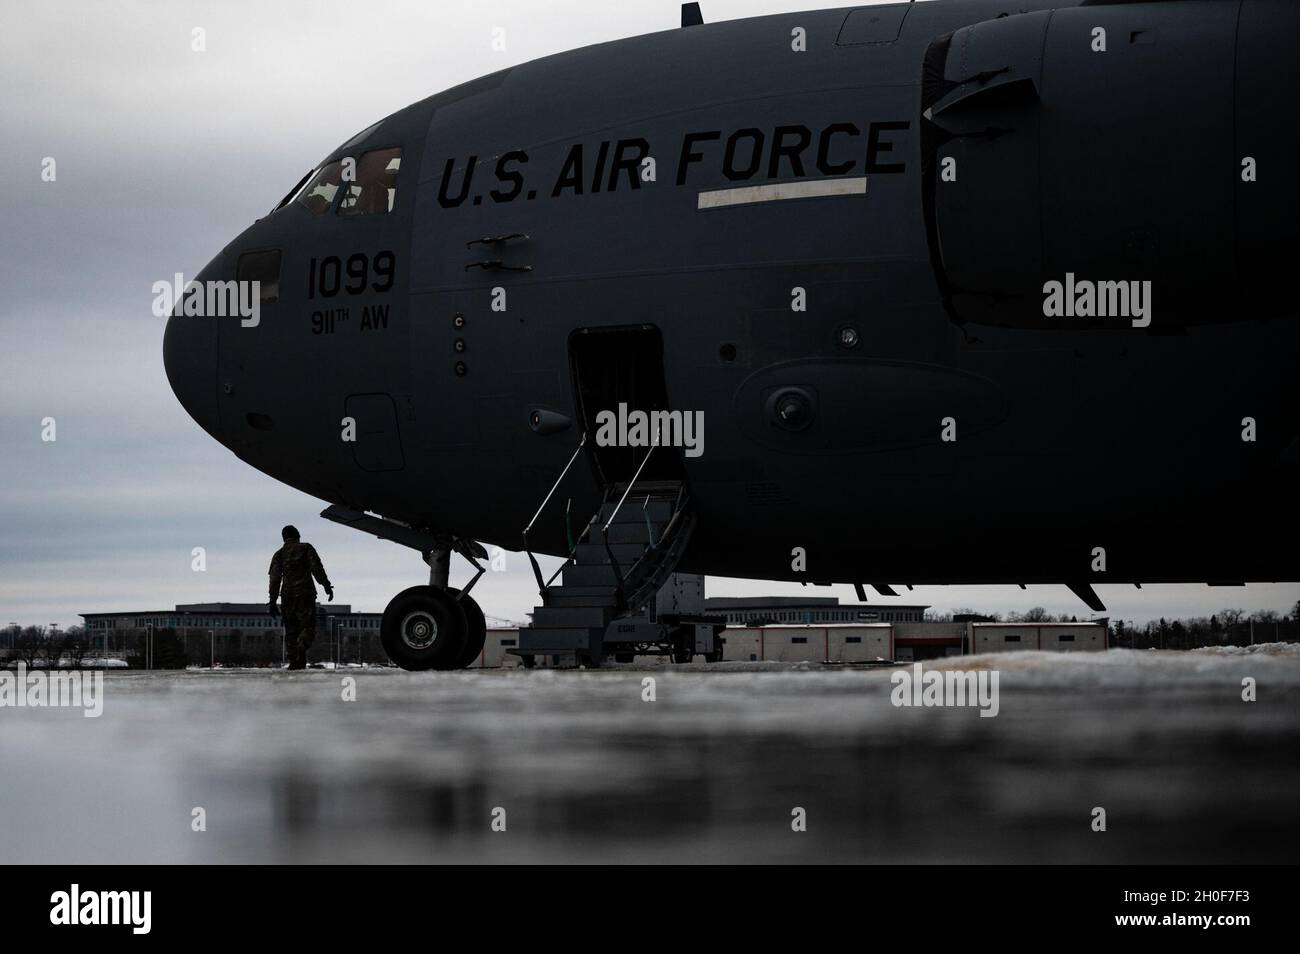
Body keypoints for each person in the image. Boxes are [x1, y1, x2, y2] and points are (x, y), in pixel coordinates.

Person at [268, 525, 333, 670]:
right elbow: (317, 568)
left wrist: (272, 601)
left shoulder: (279, 554)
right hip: (305, 594)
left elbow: (274, 579)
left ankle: (295, 662)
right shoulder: (306, 548)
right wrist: (326, 585)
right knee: (308, 626)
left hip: (287, 597)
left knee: (291, 630)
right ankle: (301, 647)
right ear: (298, 535)